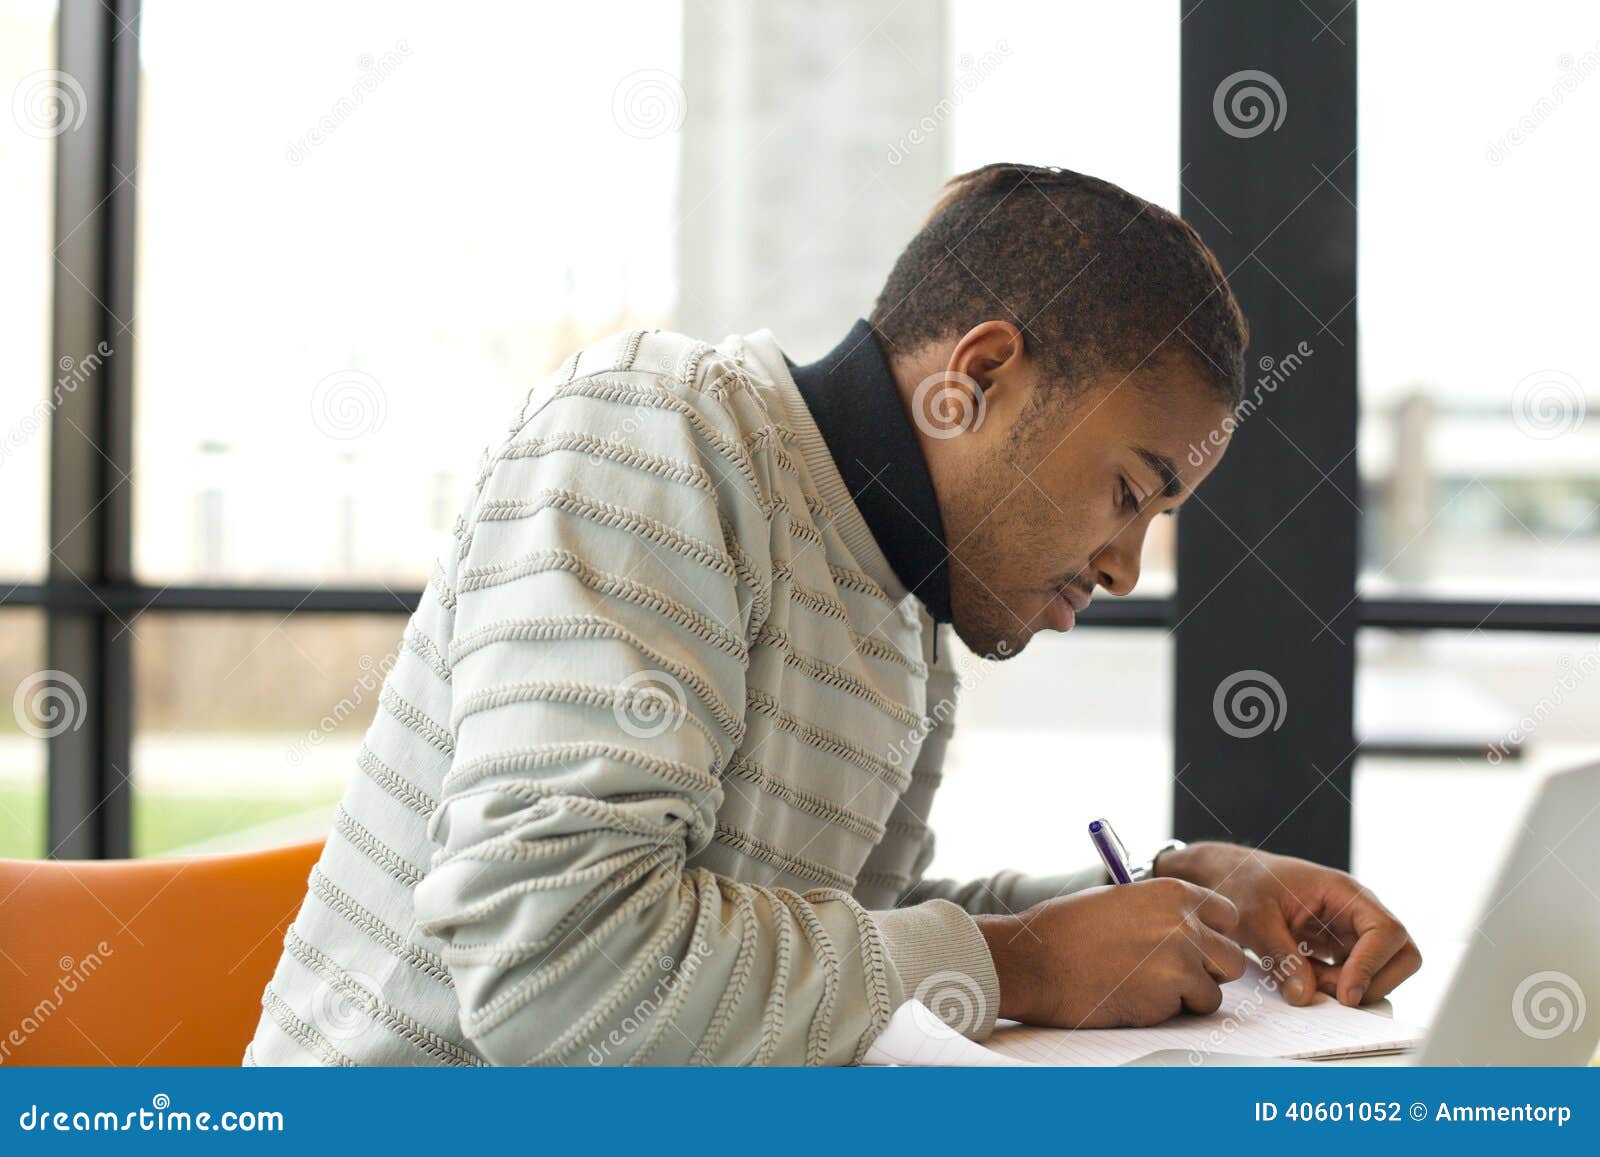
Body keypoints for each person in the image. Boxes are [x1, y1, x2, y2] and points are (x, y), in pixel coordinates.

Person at [247, 163, 1420, 1066]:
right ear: (985, 372)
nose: (1125, 564)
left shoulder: (905, 601)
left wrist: (1170, 899)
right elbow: (559, 968)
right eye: (1130, 491)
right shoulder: (653, 437)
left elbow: (829, 941)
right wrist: (1018, 963)